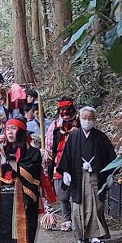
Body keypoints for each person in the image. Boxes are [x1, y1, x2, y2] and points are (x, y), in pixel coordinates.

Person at [56, 106, 117, 243]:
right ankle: (82, 235)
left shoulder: (101, 137)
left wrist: (109, 174)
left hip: (95, 176)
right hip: (78, 177)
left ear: (94, 119)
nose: (87, 121)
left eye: (90, 118)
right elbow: (66, 156)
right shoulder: (74, 136)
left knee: (96, 205)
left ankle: (95, 236)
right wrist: (66, 172)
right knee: (78, 207)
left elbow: (111, 157)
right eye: (84, 118)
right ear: (79, 118)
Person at [43, 98, 78, 231]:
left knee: (78, 193)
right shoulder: (54, 126)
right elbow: (49, 145)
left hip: (77, 163)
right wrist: (46, 158)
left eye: (68, 110)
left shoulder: (79, 124)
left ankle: (78, 219)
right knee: (62, 194)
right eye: (63, 110)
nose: (66, 113)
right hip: (59, 162)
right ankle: (67, 219)